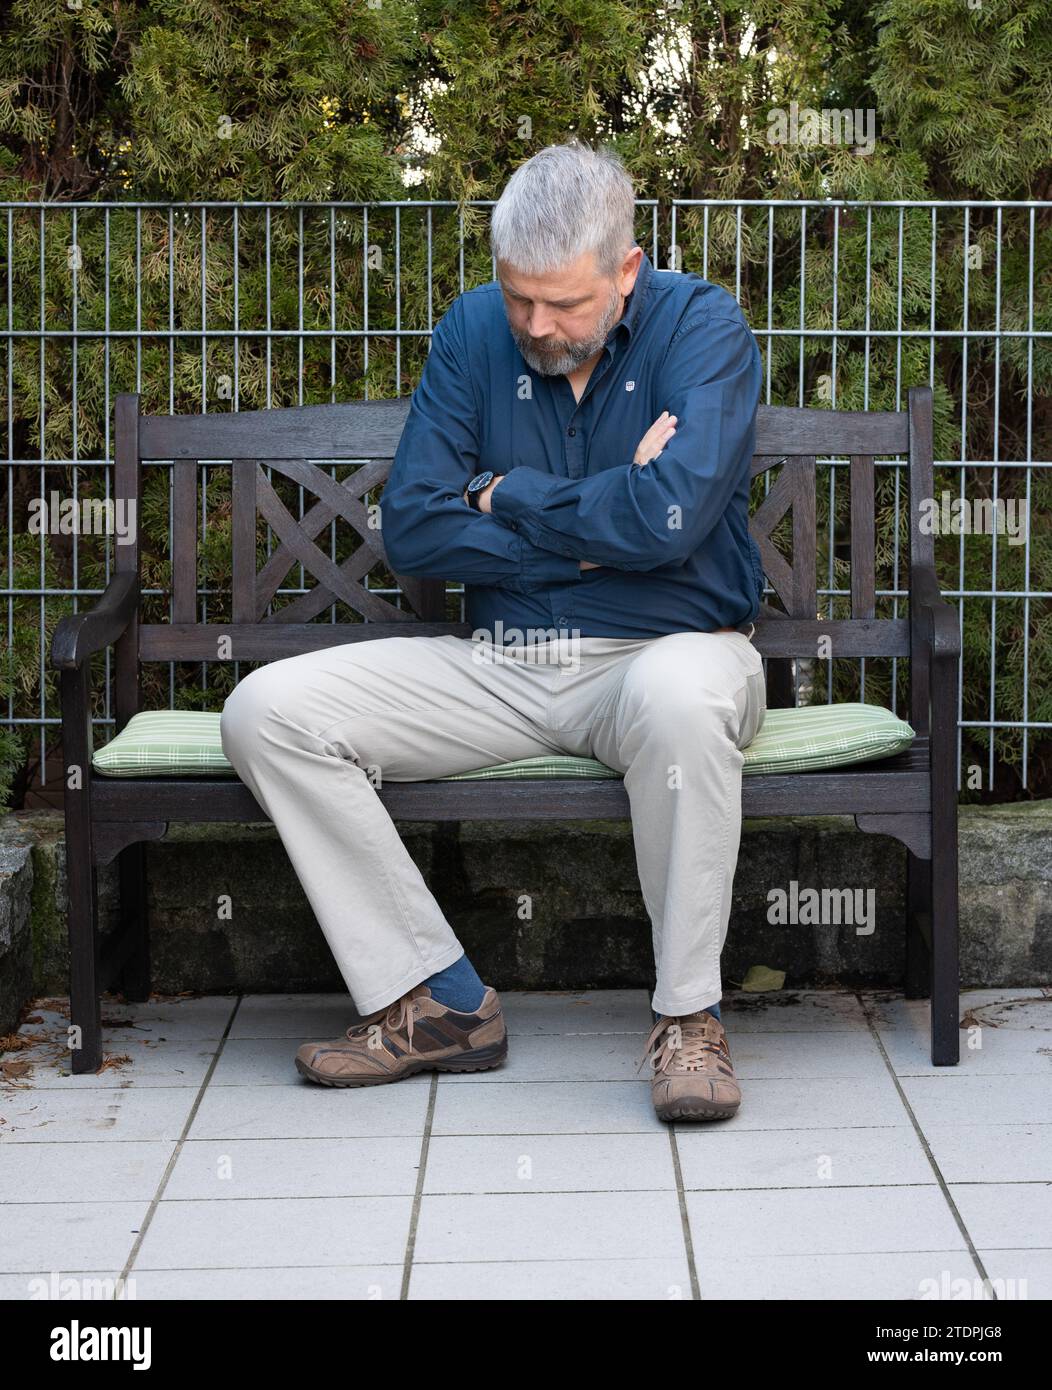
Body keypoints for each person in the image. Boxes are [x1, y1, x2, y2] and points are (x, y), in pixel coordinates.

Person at [219, 138, 767, 1123]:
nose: (536, 325)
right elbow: (418, 529)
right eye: (520, 298)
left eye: (563, 304)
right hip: (502, 661)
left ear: (625, 270)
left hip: (669, 654)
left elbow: (676, 520)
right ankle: (439, 1002)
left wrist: (505, 494)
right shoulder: (472, 333)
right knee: (267, 711)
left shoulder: (703, 328)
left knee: (683, 701)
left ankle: (689, 1020)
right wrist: (605, 526)